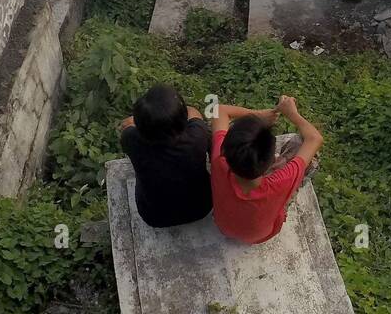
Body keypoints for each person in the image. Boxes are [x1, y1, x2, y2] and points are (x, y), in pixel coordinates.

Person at [118, 86, 276, 228]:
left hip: (154, 215)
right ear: (183, 121)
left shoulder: (131, 140)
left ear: (141, 127)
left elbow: (127, 126)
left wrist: (134, 122)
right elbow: (194, 113)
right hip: (201, 207)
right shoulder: (197, 135)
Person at [210, 94, 323, 245]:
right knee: (304, 148)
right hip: (260, 237)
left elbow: (219, 110)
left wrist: (259, 115)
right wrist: (292, 113)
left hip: (223, 227)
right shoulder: (282, 182)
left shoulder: (218, 161)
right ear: (272, 161)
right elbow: (314, 138)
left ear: (225, 150)